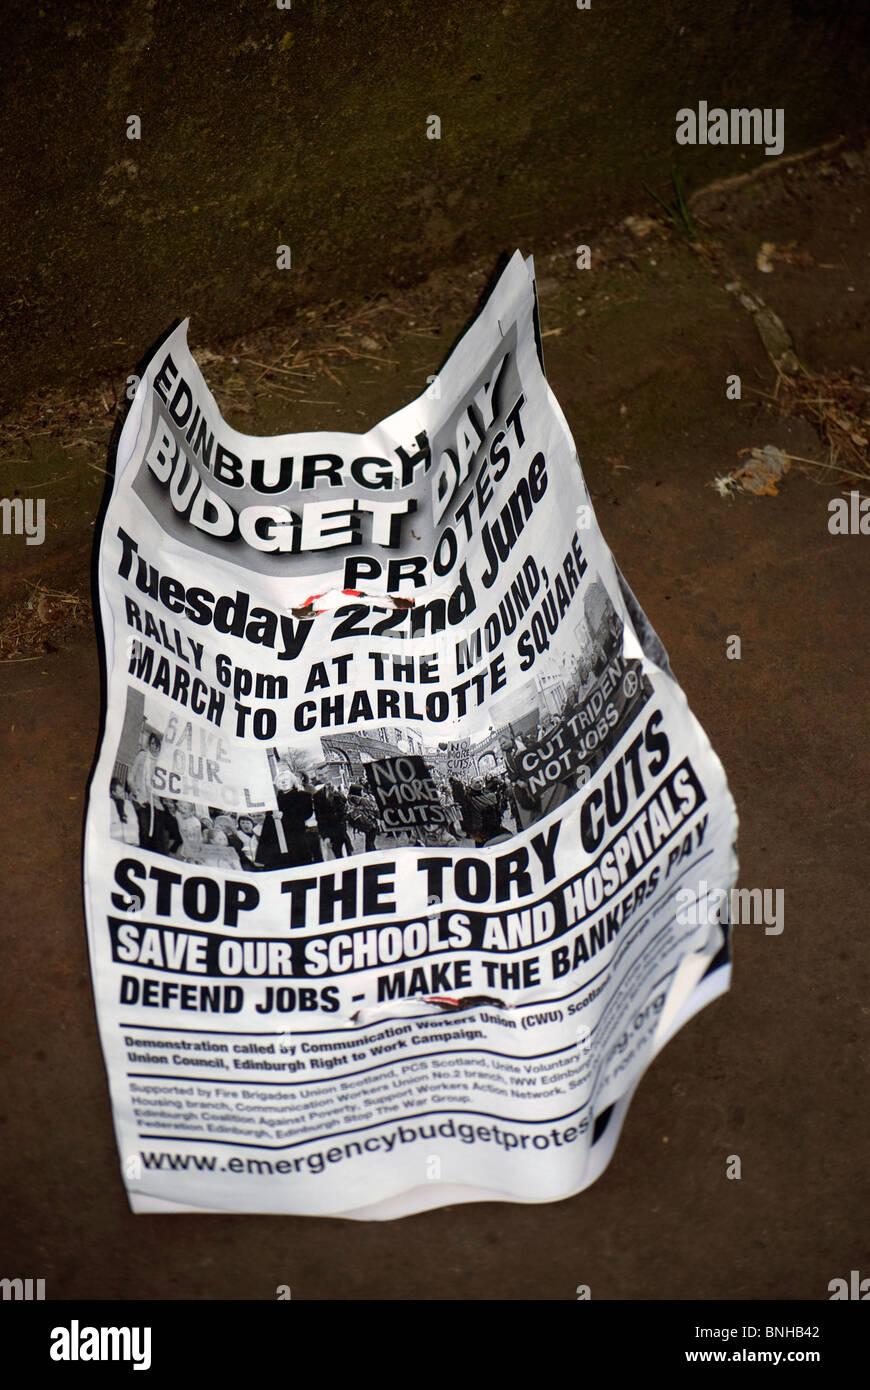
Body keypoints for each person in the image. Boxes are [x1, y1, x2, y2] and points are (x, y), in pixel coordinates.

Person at [257, 766, 320, 869]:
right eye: (280, 781)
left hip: (296, 839)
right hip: (278, 844)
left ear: (292, 781)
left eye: (286, 780)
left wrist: (285, 815)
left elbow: (306, 813)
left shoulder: (303, 796)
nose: (283, 782)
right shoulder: (273, 802)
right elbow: (267, 827)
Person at [128, 732, 163, 850]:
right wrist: (133, 788)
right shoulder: (142, 756)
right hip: (140, 797)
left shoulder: (161, 762)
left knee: (157, 832)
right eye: (152, 743)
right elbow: (131, 774)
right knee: (144, 827)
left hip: (154, 800)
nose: (154, 747)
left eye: (156, 745)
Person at [346, 782, 379, 853]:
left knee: (368, 838)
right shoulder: (360, 799)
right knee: (371, 837)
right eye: (361, 791)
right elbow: (374, 807)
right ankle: (371, 852)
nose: (362, 792)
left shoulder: (350, 799)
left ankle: (372, 850)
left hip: (361, 821)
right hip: (367, 821)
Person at [109, 777, 139, 844]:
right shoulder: (110, 804)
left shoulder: (128, 804)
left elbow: (134, 821)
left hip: (130, 840)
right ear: (113, 792)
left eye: (122, 791)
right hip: (116, 840)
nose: (122, 794)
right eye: (119, 792)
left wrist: (135, 839)